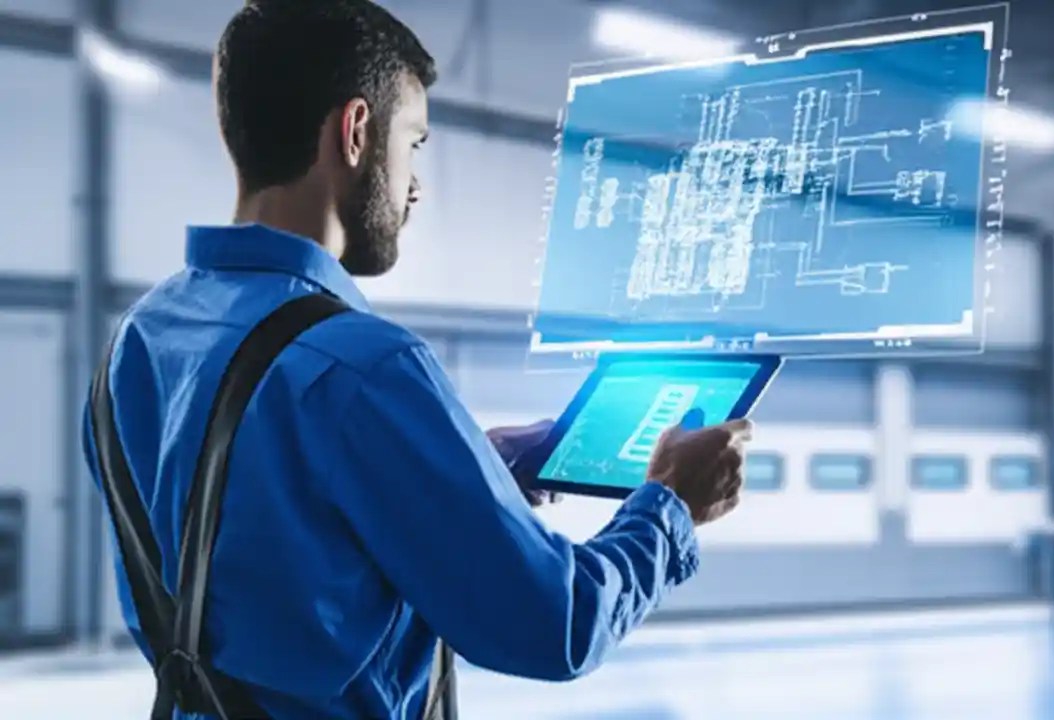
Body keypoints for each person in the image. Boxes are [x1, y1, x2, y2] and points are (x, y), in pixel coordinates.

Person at [80, 1, 750, 718]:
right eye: (414, 143)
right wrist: (671, 504)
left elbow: (258, 547)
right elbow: (556, 623)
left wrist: (466, 476)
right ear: (357, 131)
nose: (415, 185)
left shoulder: (136, 343)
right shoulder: (363, 369)